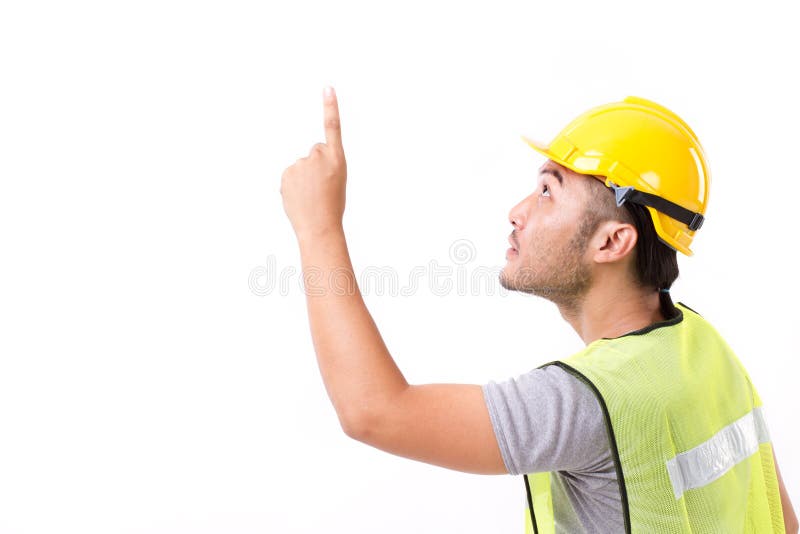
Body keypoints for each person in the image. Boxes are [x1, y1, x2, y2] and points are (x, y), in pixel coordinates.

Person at [279, 86, 798, 533]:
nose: (517, 212)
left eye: (549, 191)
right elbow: (782, 520)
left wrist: (318, 226)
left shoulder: (588, 401)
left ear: (613, 241)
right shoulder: (704, 344)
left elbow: (374, 411)